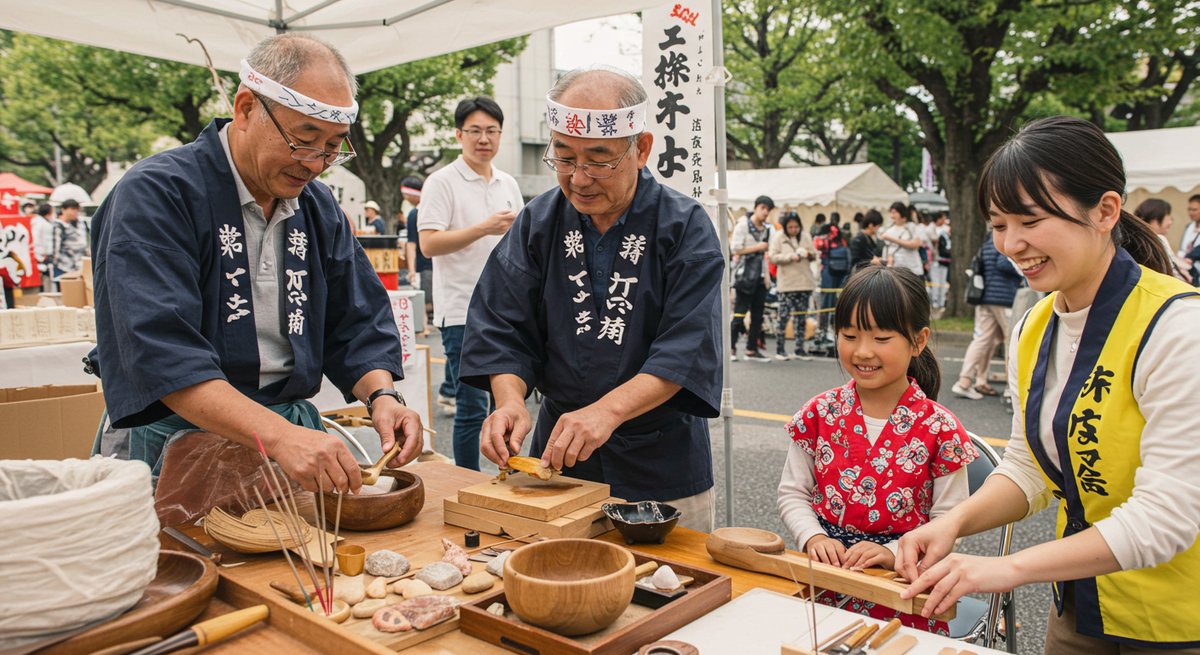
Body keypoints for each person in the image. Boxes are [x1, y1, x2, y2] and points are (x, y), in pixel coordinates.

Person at [895, 116, 1200, 652]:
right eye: (998, 223)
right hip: (1082, 604)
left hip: (1179, 620)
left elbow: (1168, 516)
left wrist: (1008, 569)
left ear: (1105, 211)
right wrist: (952, 523)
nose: (1011, 243)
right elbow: (1030, 464)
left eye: (1030, 220)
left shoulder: (1178, 329)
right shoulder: (1034, 325)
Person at [88, 33, 424, 494]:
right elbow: (162, 351)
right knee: (180, 564)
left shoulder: (317, 206)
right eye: (304, 139)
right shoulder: (157, 194)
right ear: (245, 108)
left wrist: (382, 396)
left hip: (282, 431)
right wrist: (282, 437)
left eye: (333, 146)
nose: (316, 163)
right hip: (173, 433)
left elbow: (356, 321)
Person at [460, 67, 723, 531]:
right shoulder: (537, 222)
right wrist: (509, 401)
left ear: (640, 149)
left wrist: (608, 412)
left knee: (674, 594)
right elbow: (502, 325)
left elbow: (686, 348)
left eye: (598, 160)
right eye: (563, 158)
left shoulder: (685, 226)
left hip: (660, 462)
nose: (578, 178)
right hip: (560, 459)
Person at [778, 265, 977, 635]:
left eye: (882, 338)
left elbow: (951, 522)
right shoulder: (819, 413)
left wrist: (892, 552)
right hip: (823, 580)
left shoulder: (940, 428)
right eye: (849, 335)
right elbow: (793, 492)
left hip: (903, 588)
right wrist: (814, 537)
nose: (863, 351)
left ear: (918, 341)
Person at [419, 96, 524, 470]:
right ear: (459, 134)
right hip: (462, 310)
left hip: (507, 313)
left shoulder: (507, 182)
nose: (484, 139)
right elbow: (429, 243)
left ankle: (507, 481)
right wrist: (485, 228)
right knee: (471, 407)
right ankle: (465, 484)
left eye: (492, 131)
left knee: (507, 407)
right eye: (476, 131)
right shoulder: (442, 182)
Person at [950, 233, 1023, 401]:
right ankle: (1010, 388)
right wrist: (1021, 267)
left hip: (985, 297)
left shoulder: (987, 241)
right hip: (1003, 297)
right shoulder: (1005, 240)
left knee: (983, 339)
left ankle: (965, 381)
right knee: (1011, 340)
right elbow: (1003, 264)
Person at [769, 211, 817, 360]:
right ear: (785, 227)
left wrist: (808, 254)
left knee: (801, 318)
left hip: (804, 282)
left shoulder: (806, 236)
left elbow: (815, 254)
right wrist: (789, 257)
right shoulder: (778, 237)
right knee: (783, 317)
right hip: (786, 284)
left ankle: (799, 349)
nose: (794, 229)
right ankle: (780, 349)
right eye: (790, 227)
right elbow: (772, 257)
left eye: (796, 226)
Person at [731, 195, 773, 362]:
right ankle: (731, 348)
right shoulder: (743, 226)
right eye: (763, 208)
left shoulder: (767, 229)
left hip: (761, 277)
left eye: (768, 210)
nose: (765, 212)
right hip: (745, 277)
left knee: (757, 315)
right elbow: (735, 249)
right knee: (739, 314)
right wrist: (758, 247)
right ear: (756, 207)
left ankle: (751, 349)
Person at [401, 176, 433, 330]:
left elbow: (411, 244)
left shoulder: (415, 213)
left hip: (422, 264)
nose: (404, 197)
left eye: (405, 193)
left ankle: (424, 326)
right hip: (439, 262)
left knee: (423, 300)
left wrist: (412, 270)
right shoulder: (435, 208)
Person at [1135, 198, 1192, 283]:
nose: (1170, 222)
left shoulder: (1135, 238)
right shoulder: (1159, 239)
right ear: (1155, 220)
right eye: (1168, 217)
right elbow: (1170, 273)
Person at [880, 201, 923, 276]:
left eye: (894, 212)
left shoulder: (911, 226)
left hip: (913, 269)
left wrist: (891, 239)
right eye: (891, 212)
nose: (892, 215)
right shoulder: (888, 229)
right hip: (896, 269)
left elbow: (915, 244)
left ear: (901, 213)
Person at [50, 199, 87, 280]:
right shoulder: (58, 226)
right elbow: (55, 249)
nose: (75, 212)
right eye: (72, 209)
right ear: (63, 210)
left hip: (78, 266)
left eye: (77, 209)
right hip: (63, 267)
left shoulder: (78, 223)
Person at [930, 211, 952, 316]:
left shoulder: (944, 229)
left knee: (942, 283)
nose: (945, 220)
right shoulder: (932, 228)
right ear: (938, 218)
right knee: (936, 283)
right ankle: (935, 302)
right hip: (935, 261)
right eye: (943, 218)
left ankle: (941, 302)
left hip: (944, 261)